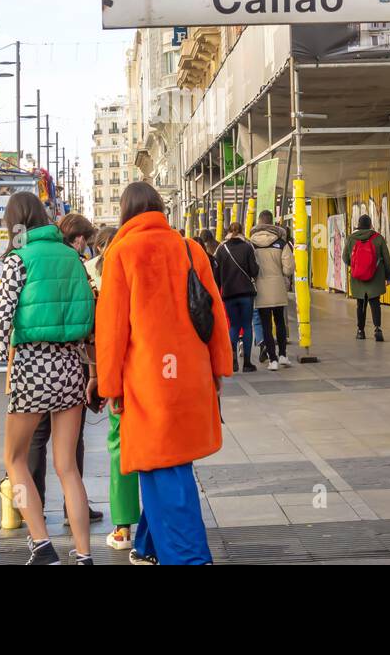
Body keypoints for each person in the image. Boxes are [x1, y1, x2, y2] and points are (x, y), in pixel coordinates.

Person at [96, 181, 233, 565]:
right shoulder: (190, 249)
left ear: (125, 212)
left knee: (163, 466)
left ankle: (190, 558)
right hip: (190, 373)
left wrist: (110, 387)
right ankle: (147, 545)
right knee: (166, 460)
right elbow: (215, 314)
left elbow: (112, 332)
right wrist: (219, 367)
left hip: (147, 381)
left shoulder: (122, 253)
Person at [0, 193, 96, 565]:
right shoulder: (73, 257)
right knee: (68, 466)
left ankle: (41, 544)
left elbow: (4, 317)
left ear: (16, 224)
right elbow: (87, 311)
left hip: (32, 367)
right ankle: (84, 554)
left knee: (14, 460)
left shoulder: (16, 260)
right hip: (70, 365)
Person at [24, 212, 102, 526]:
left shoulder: (30, 260)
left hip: (35, 364)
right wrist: (94, 372)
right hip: (71, 364)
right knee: (71, 445)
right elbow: (88, 320)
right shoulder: (77, 266)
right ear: (79, 239)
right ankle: (74, 511)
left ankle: (32, 509)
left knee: (33, 440)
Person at [87, 225, 140, 551]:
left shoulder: (93, 274)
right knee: (158, 450)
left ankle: (122, 528)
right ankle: (156, 521)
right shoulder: (137, 266)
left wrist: (101, 379)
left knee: (120, 448)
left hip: (117, 374)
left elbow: (101, 334)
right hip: (149, 372)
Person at [250, 210, 295, 370]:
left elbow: (250, 267)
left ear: (259, 223)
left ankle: (273, 360)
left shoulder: (251, 244)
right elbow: (289, 268)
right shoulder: (281, 243)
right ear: (272, 223)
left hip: (260, 289)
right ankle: (283, 355)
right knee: (280, 322)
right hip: (278, 288)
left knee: (266, 325)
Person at [215, 220, 259, 372]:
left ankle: (232, 359)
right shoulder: (247, 247)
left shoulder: (221, 250)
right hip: (246, 293)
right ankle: (247, 363)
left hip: (229, 294)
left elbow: (216, 276)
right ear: (241, 231)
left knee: (234, 325)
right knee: (247, 326)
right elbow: (254, 271)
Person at [344, 214, 390, 341]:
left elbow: (345, 258)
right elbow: (387, 259)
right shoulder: (378, 238)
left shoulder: (350, 239)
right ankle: (377, 329)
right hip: (375, 277)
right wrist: (388, 275)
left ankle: (360, 331)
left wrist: (356, 266)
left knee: (360, 304)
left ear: (358, 225)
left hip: (358, 279)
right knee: (375, 303)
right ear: (370, 225)